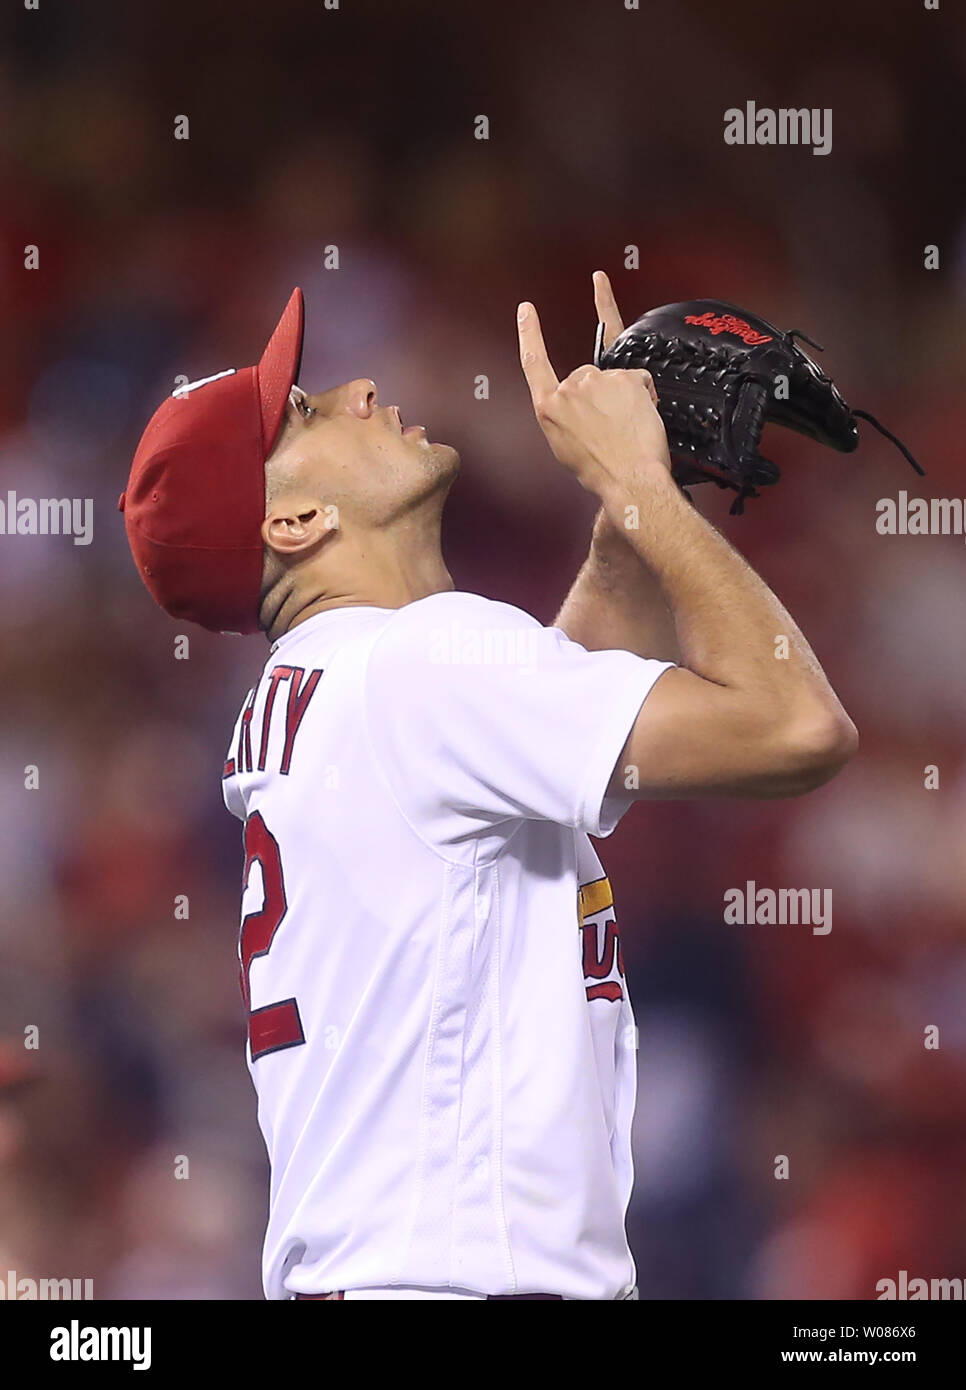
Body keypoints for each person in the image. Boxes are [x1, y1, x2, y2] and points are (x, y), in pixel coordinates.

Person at [121, 272, 857, 1301]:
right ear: (291, 524)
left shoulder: (323, 688)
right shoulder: (422, 663)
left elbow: (526, 726)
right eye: (306, 413)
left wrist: (634, 509)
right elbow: (799, 728)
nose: (360, 388)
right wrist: (639, 488)